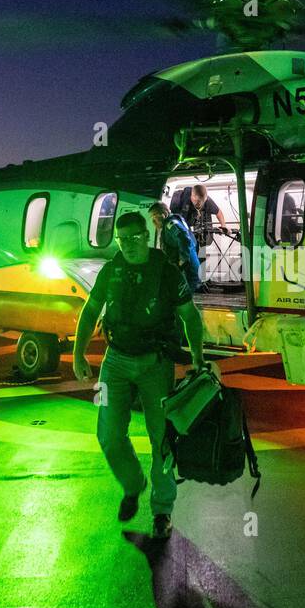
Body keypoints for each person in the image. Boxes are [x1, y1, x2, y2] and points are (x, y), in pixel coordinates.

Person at [72, 211, 208, 540]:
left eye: (135, 238)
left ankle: (162, 510)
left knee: (161, 439)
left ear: (147, 236)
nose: (129, 246)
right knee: (107, 434)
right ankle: (133, 486)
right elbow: (91, 310)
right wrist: (78, 353)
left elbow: (190, 317)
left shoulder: (166, 274)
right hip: (115, 361)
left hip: (155, 363)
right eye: (123, 240)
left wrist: (198, 357)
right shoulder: (111, 271)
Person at [148, 201, 201, 293]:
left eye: (154, 216)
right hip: (189, 270)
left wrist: (182, 260)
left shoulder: (171, 224)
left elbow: (184, 239)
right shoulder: (176, 221)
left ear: (164, 214)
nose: (153, 221)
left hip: (187, 272)